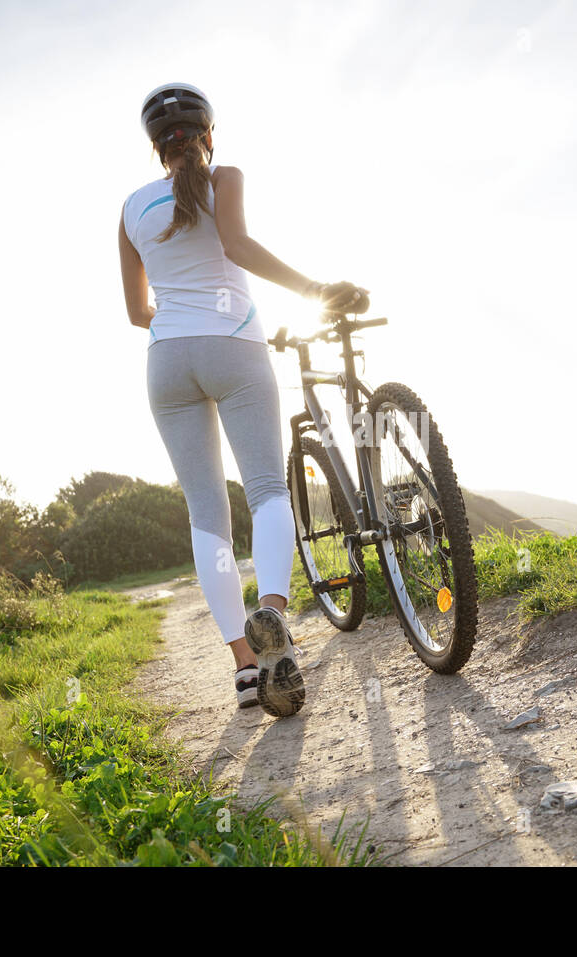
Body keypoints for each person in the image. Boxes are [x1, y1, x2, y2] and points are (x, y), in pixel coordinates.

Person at [117, 82, 366, 717]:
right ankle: (274, 612)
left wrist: (179, 323)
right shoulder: (225, 176)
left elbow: (136, 311)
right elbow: (235, 246)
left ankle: (247, 671)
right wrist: (317, 288)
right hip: (234, 343)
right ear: (208, 136)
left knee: (208, 518)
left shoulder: (128, 208)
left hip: (167, 362)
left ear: (154, 149)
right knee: (268, 492)